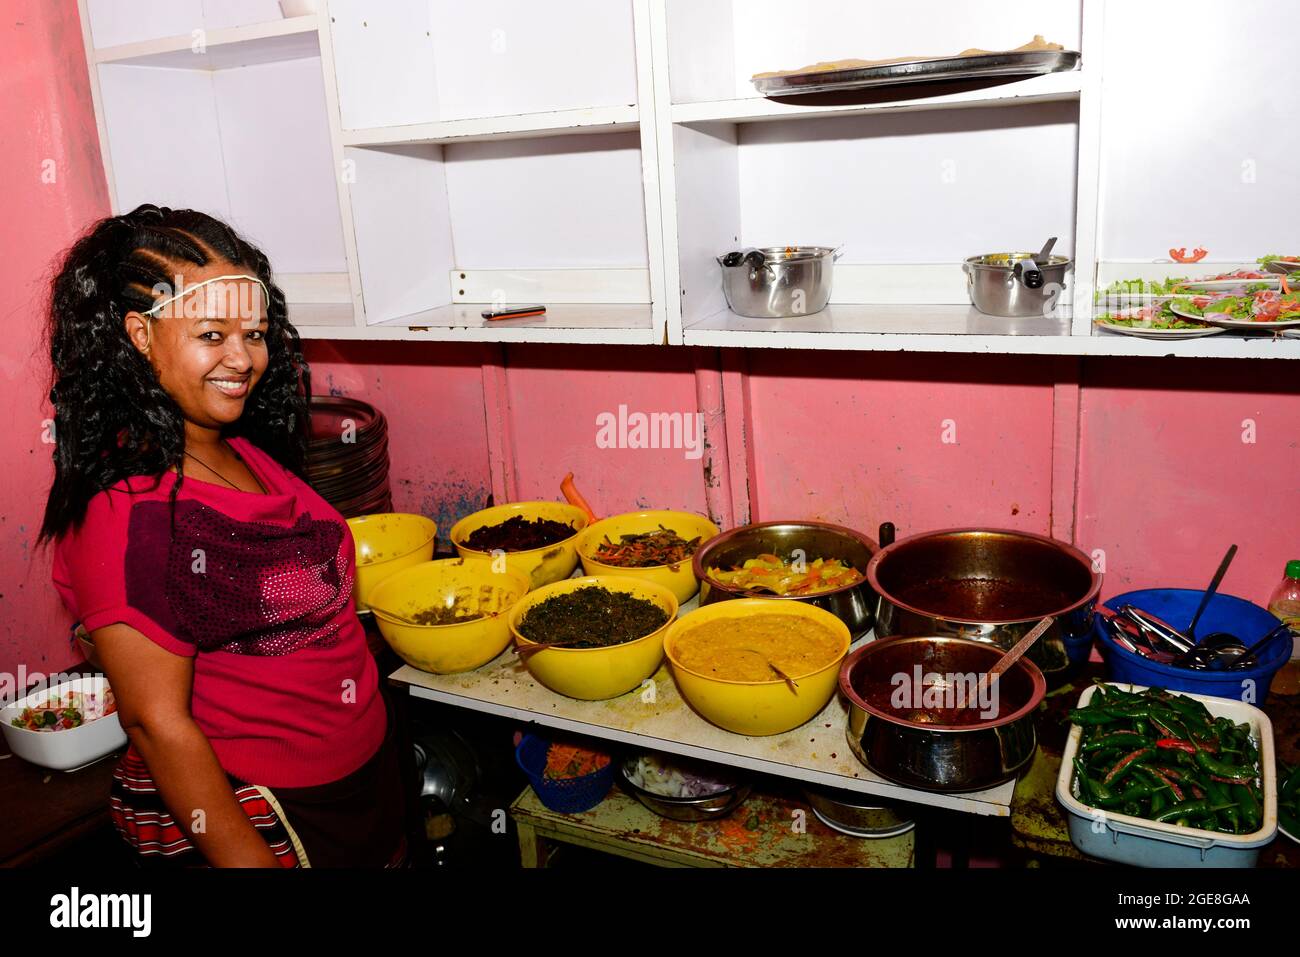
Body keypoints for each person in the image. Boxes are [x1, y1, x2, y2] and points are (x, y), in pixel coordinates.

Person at [40, 204, 407, 867]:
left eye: (255, 334)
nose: (244, 359)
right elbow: (157, 725)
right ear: (141, 335)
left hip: (355, 784)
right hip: (265, 810)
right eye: (212, 334)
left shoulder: (237, 448)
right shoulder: (132, 511)